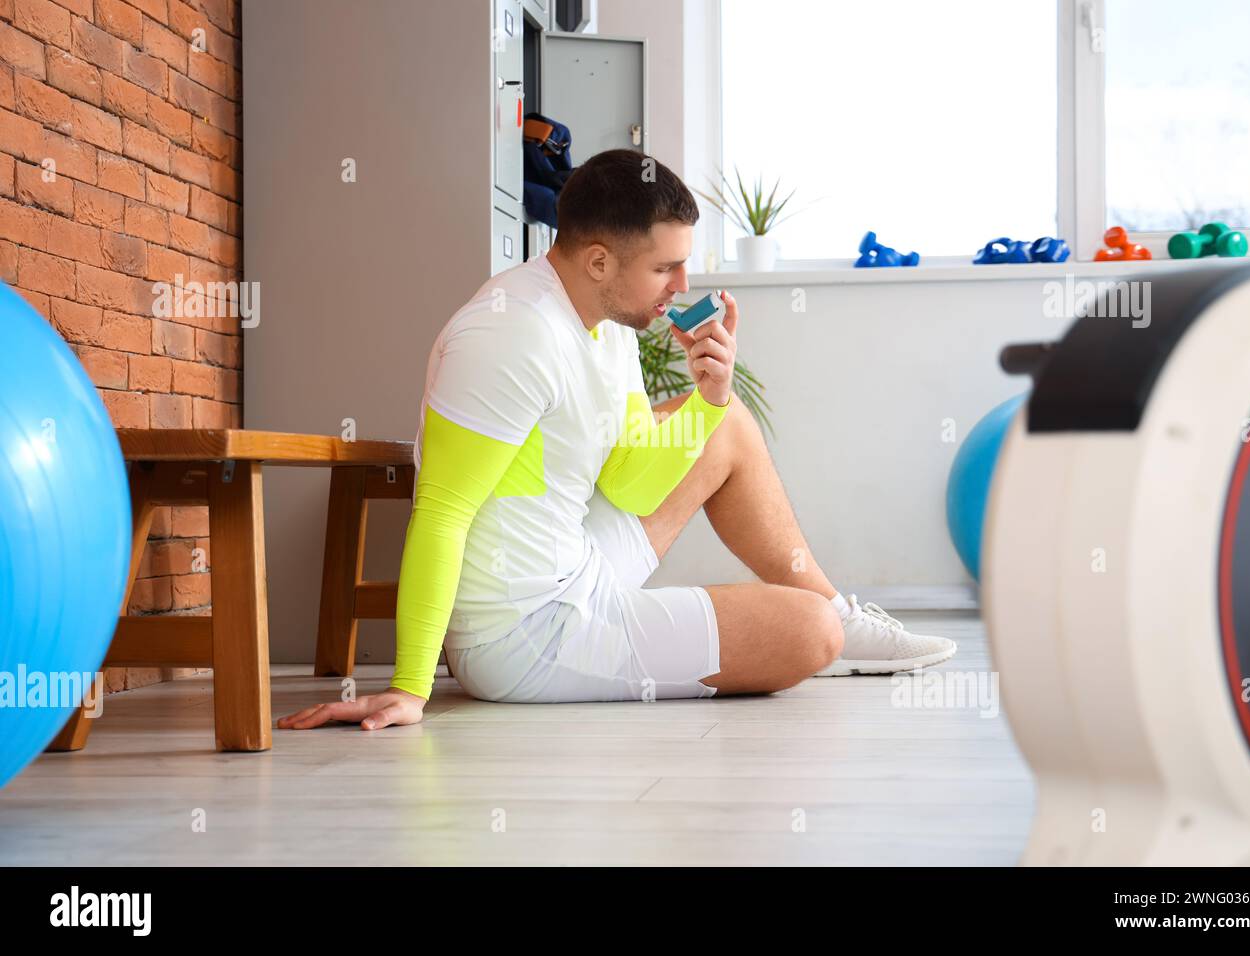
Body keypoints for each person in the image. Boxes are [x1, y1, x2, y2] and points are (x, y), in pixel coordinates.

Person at [279, 149, 955, 732]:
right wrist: (409, 687)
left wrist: (706, 399)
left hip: (579, 564)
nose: (684, 288)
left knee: (730, 424)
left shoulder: (608, 325)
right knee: (812, 636)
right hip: (524, 634)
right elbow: (442, 511)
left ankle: (841, 610)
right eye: (666, 269)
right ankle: (831, 624)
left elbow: (631, 482)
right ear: (599, 260)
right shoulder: (509, 335)